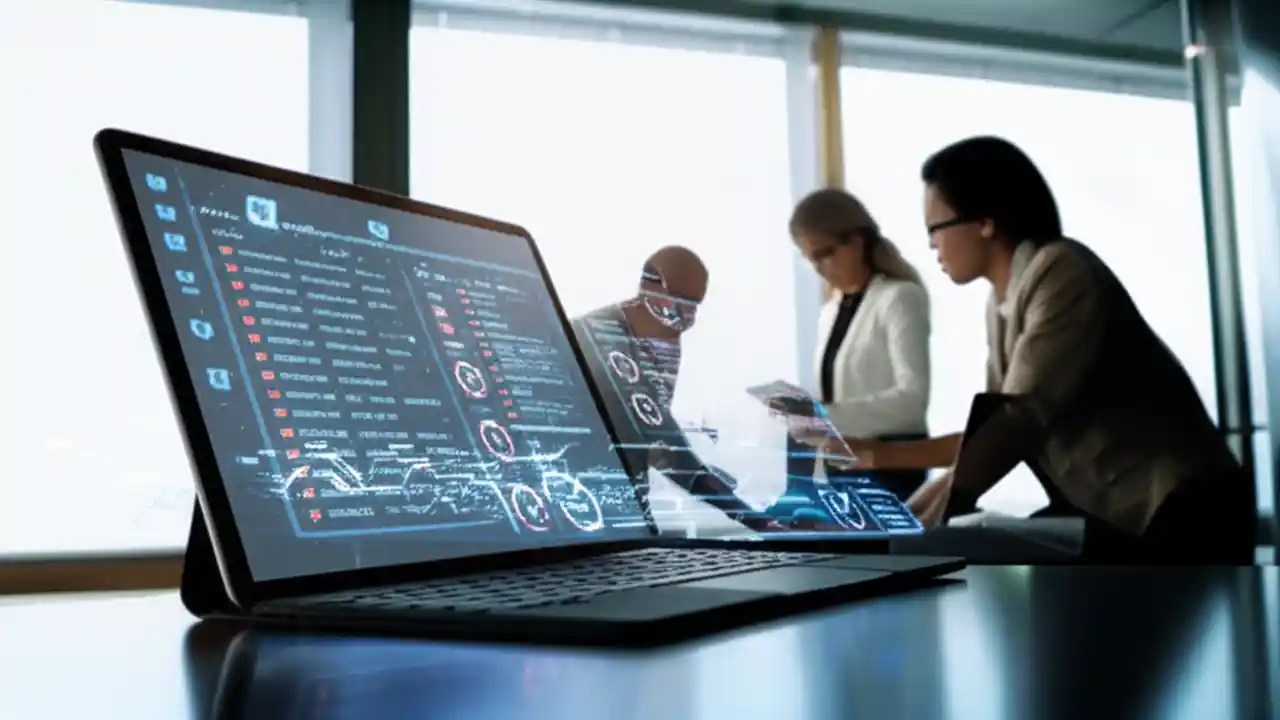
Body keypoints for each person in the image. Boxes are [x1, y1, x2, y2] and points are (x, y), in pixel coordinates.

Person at [846, 135, 1256, 564]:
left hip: (1178, 506)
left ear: (985, 221)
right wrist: (904, 493)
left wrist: (936, 506)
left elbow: (1021, 415)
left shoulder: (1062, 270)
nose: (931, 244)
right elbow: (989, 430)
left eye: (936, 228)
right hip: (1120, 510)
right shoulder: (1002, 301)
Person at [572, 246, 784, 532]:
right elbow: (666, 444)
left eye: (693, 307)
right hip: (587, 515)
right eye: (679, 303)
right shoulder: (604, 336)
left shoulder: (658, 334)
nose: (686, 319)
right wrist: (751, 517)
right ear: (649, 288)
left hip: (623, 515)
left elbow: (655, 445)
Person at [787, 188, 931, 502]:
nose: (818, 269)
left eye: (824, 253)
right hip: (841, 467)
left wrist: (821, 415)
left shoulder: (900, 298)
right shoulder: (829, 312)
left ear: (855, 241)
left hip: (890, 468)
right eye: (810, 258)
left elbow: (912, 400)